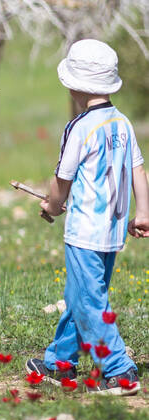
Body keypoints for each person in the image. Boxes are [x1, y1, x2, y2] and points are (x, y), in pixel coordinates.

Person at [25, 39, 149, 396]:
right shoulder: (123, 124)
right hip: (112, 232)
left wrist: (51, 205)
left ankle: (119, 370)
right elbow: (138, 170)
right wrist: (142, 213)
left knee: (88, 300)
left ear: (75, 85)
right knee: (81, 293)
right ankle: (60, 365)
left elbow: (61, 180)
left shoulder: (79, 127)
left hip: (84, 232)